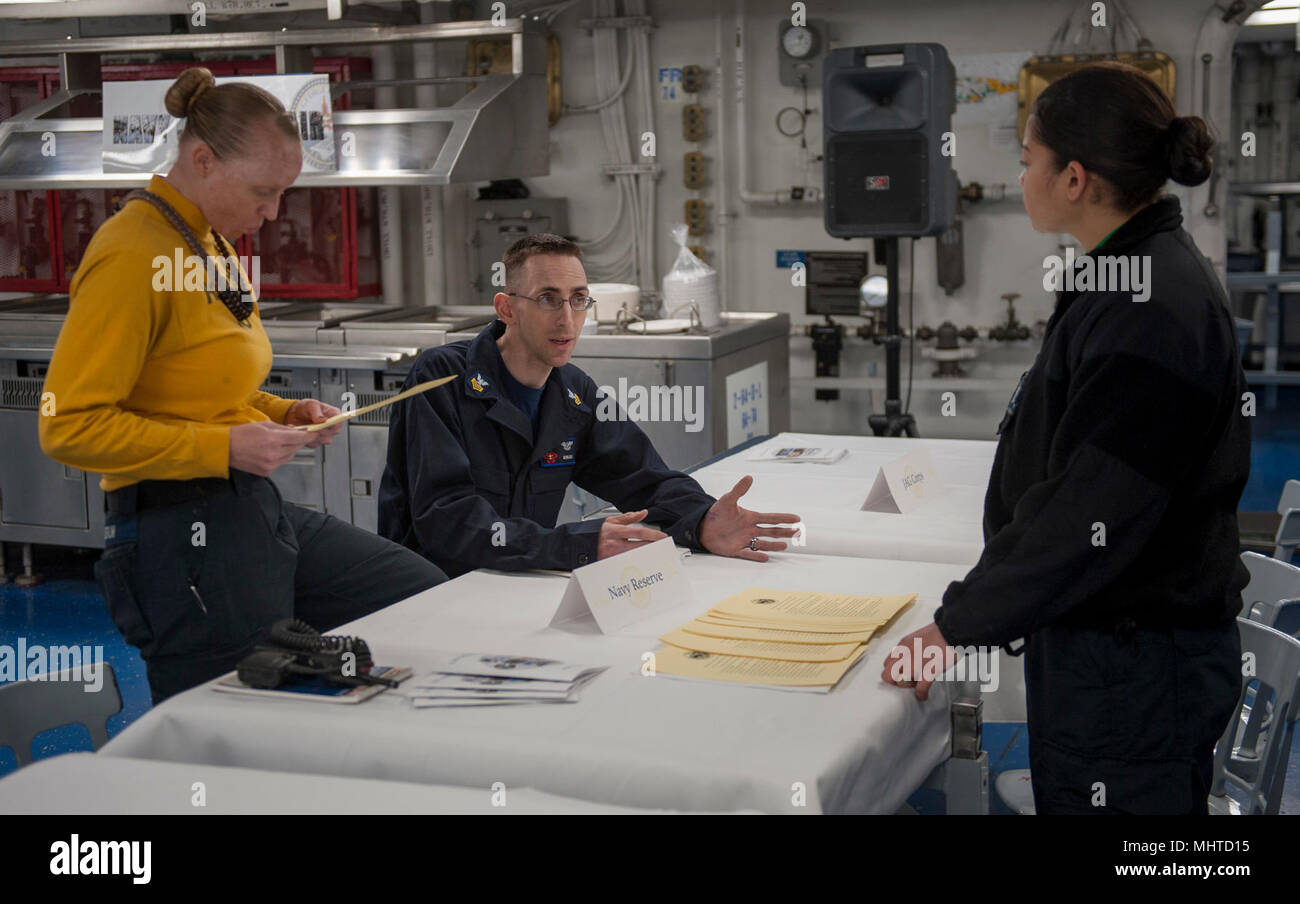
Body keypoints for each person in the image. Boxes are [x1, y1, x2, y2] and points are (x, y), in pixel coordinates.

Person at [882, 63, 1250, 815]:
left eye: (1027, 160)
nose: (1020, 178)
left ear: (1074, 178)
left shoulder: (1152, 305)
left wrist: (957, 625)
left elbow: (1094, 509)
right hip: (1111, 654)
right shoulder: (1127, 273)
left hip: (1136, 674)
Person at [39, 68, 446, 703]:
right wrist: (221, 448)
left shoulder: (209, 242)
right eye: (262, 191)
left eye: (282, 192)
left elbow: (202, 381)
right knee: (229, 718)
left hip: (248, 508)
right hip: (180, 537)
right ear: (202, 160)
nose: (272, 212)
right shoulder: (131, 254)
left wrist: (282, 411)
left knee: (420, 593)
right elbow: (68, 425)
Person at [378, 233, 800, 577]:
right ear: (506, 308)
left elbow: (644, 477)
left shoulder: (573, 393)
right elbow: (447, 523)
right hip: (435, 590)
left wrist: (703, 519)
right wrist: (576, 544)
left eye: (578, 299)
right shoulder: (443, 379)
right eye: (547, 298)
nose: (566, 318)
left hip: (517, 582)